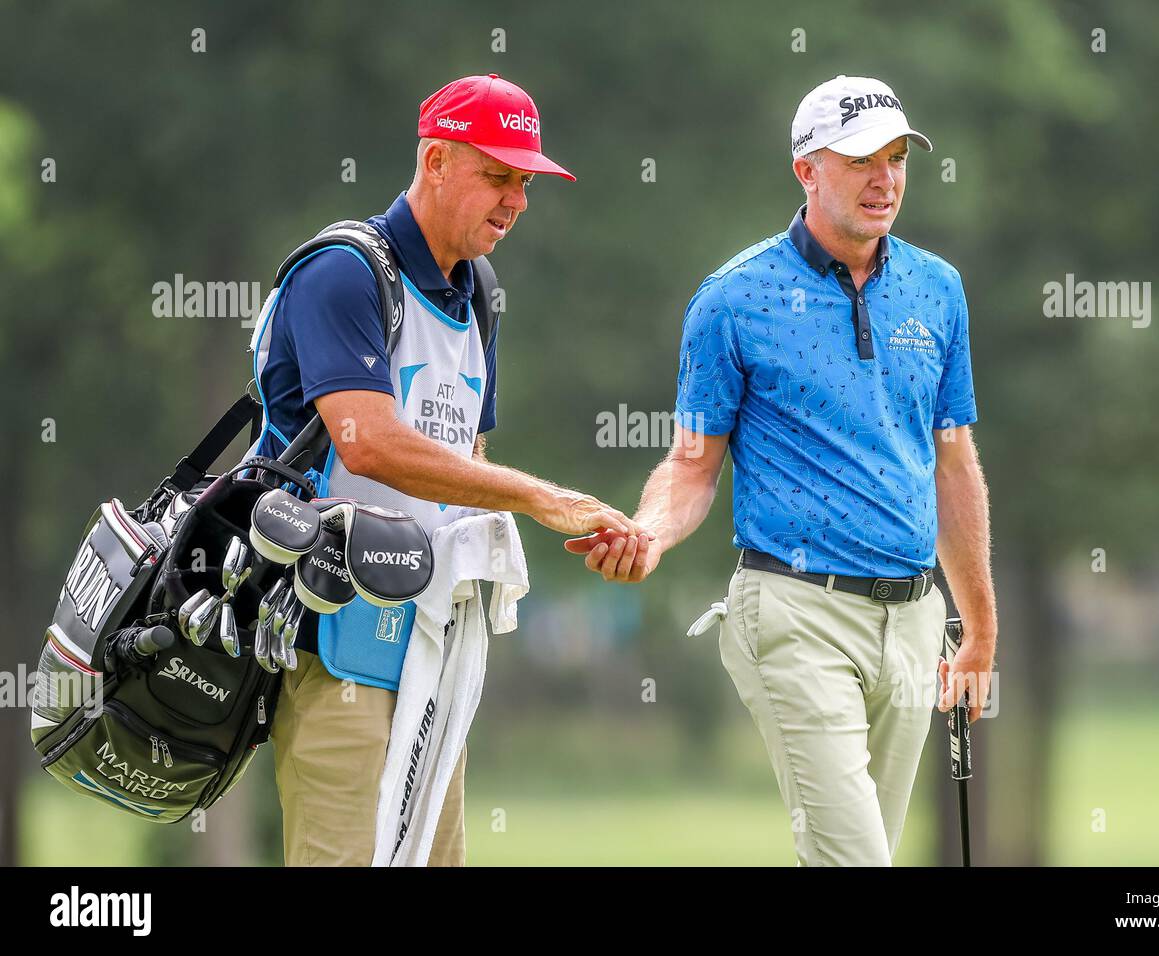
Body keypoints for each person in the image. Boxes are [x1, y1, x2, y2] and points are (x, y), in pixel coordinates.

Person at [566, 76, 996, 866]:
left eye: (898, 157)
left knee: (862, 854)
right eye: (862, 158)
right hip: (795, 611)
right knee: (855, 860)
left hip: (912, 618)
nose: (886, 178)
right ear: (807, 168)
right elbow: (693, 466)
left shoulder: (938, 290)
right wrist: (651, 534)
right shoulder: (734, 299)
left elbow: (953, 459)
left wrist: (978, 624)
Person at [249, 74, 640, 866]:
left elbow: (464, 457)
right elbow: (370, 442)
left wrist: (542, 527)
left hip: (432, 647)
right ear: (434, 160)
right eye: (497, 175)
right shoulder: (344, 271)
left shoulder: (480, 290)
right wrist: (538, 498)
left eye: (525, 182)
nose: (517, 201)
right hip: (334, 647)